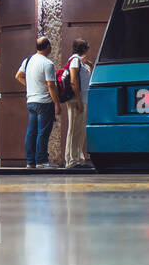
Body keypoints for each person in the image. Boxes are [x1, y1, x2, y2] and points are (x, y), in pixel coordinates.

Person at [15, 37, 61, 169]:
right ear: (47, 47)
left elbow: (18, 76)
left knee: (31, 131)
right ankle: (41, 161)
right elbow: (51, 86)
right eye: (50, 46)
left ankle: (30, 162)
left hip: (31, 101)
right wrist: (57, 103)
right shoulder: (48, 64)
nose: (51, 48)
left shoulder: (28, 60)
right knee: (43, 132)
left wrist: (31, 87)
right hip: (44, 102)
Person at [64, 38, 92, 169]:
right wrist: (79, 101)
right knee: (74, 130)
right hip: (76, 100)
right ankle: (71, 160)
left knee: (80, 131)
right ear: (84, 48)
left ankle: (79, 158)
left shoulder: (80, 62)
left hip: (82, 100)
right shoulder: (75, 60)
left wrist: (88, 65)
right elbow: (73, 81)